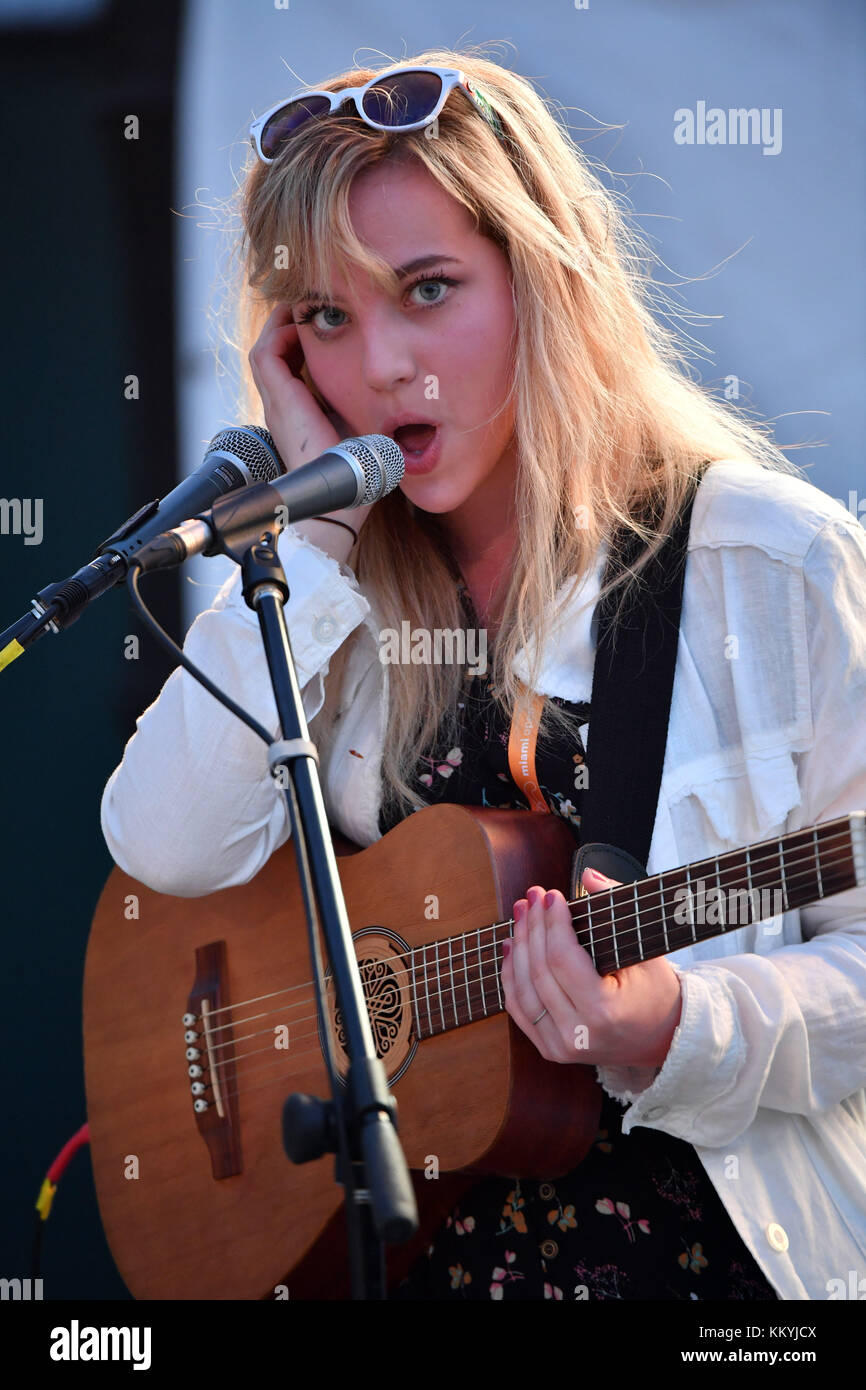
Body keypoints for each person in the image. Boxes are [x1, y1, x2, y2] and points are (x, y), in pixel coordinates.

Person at [100, 48, 866, 1301]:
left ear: (542, 282)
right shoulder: (326, 593)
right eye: (329, 320)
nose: (384, 365)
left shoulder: (767, 563)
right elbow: (164, 849)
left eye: (427, 289)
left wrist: (672, 1025)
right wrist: (316, 532)